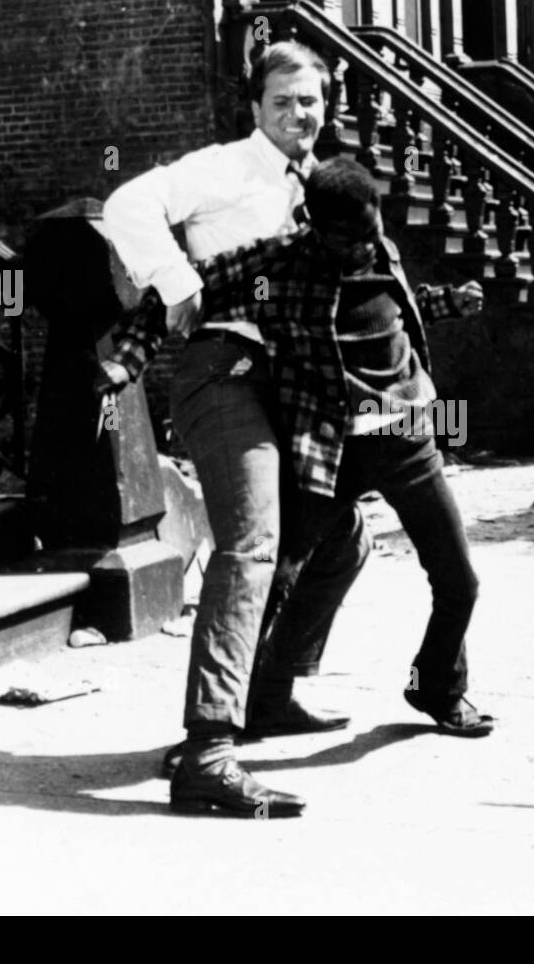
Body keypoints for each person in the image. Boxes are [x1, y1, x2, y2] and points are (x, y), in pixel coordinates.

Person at [106, 159, 494, 816]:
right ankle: (225, 724)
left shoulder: (381, 247)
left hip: (407, 439)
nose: (364, 251)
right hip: (332, 449)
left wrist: (449, 303)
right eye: (349, 243)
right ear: (311, 225)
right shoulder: (277, 264)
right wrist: (127, 360)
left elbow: (391, 311)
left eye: (371, 236)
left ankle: (436, 684)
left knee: (460, 579)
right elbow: (180, 289)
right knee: (271, 579)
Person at [101, 41, 368, 820]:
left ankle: (267, 690)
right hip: (222, 371)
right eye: (282, 101)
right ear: (254, 107)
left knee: (342, 532)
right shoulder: (221, 168)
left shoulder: (324, 186)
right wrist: (177, 280)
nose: (298, 115)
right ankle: (208, 750)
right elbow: (126, 205)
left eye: (311, 101)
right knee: (250, 543)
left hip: (293, 384)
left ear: (328, 106)